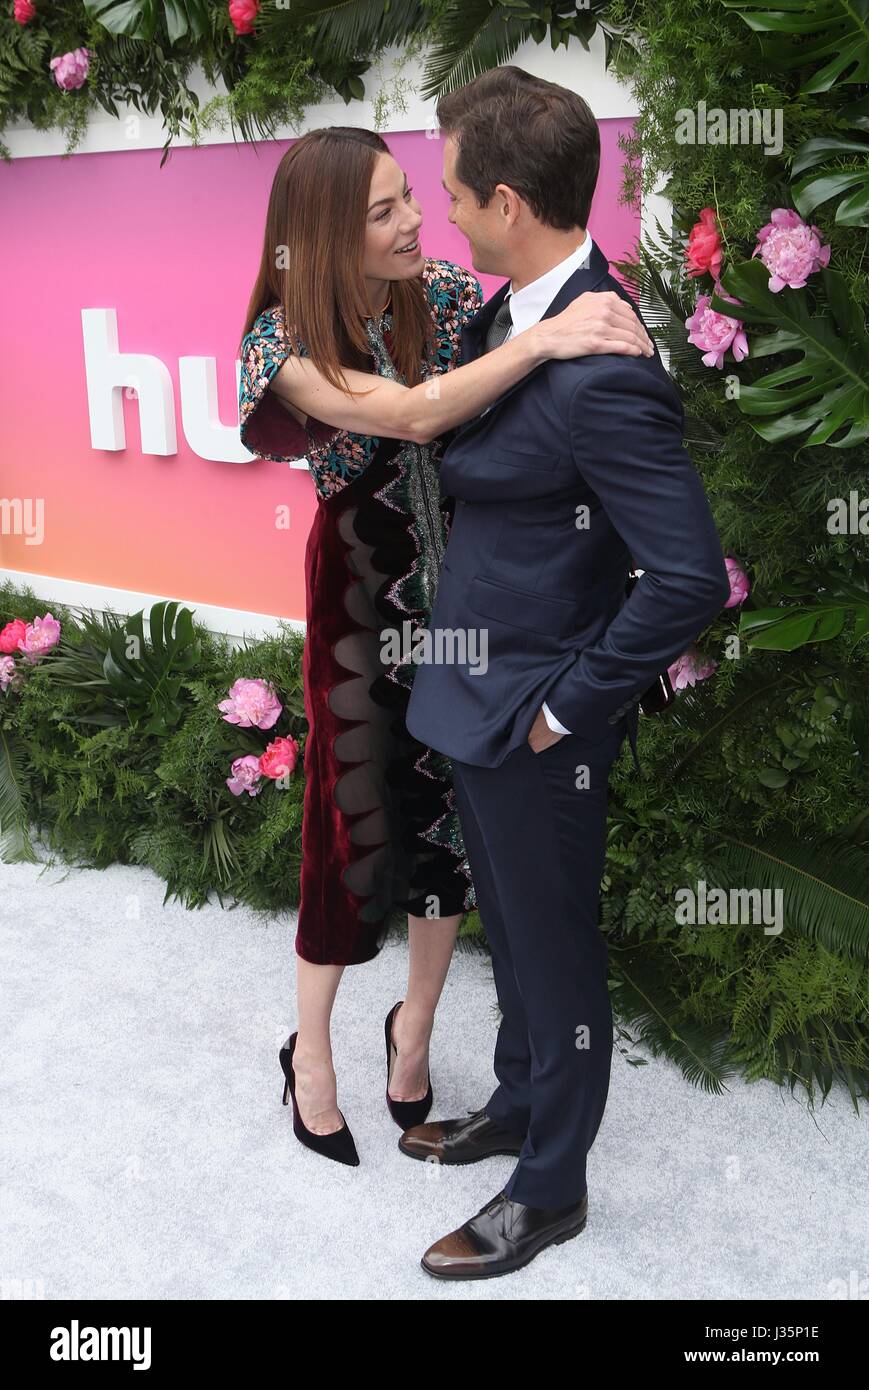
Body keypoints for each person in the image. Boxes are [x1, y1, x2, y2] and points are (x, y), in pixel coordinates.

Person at [237, 126, 654, 1168]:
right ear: (329, 231)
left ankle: (411, 1034)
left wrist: (608, 328)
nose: (415, 219)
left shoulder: (455, 305)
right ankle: (313, 1055)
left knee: (453, 827)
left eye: (409, 197)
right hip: (357, 609)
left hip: (470, 601)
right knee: (350, 825)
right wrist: (542, 344)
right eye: (381, 211)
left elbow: (547, 320)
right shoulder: (278, 339)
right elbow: (414, 415)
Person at [400, 68, 731, 1279]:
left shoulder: (604, 361)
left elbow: (689, 579)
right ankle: (522, 1099)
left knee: (553, 945)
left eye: (451, 197)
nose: (443, 217)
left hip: (534, 716)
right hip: (470, 691)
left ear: (503, 200)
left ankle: (550, 1189)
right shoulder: (517, 311)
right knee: (511, 930)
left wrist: (559, 709)